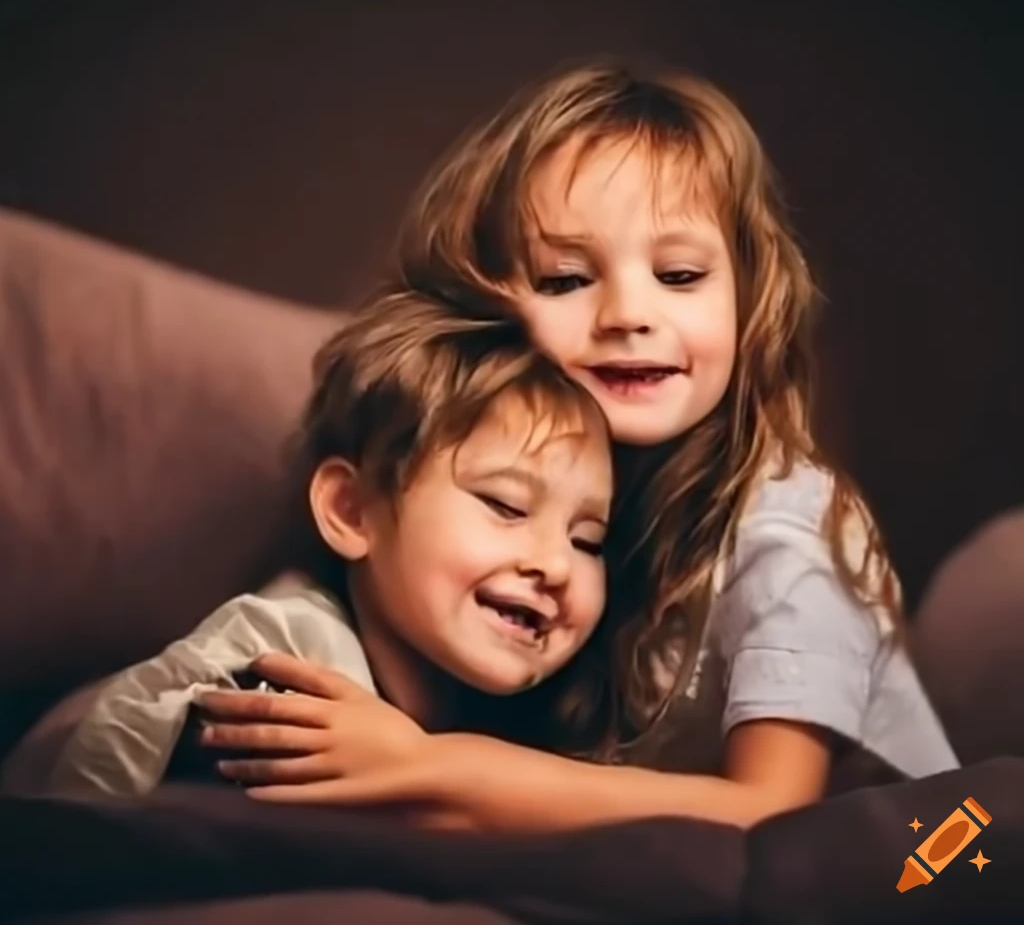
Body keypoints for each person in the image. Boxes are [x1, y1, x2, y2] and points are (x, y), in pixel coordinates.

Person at [197, 59, 959, 829]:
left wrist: (428, 768)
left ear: (750, 299)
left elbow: (774, 811)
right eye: (565, 280)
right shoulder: (548, 492)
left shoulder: (786, 535)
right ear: (490, 305)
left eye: (681, 274)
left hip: (913, 859)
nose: (628, 312)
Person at [46, 290, 615, 798]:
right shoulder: (281, 651)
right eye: (506, 507)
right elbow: (117, 740)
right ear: (352, 511)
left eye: (588, 540)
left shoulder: (516, 714)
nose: (556, 564)